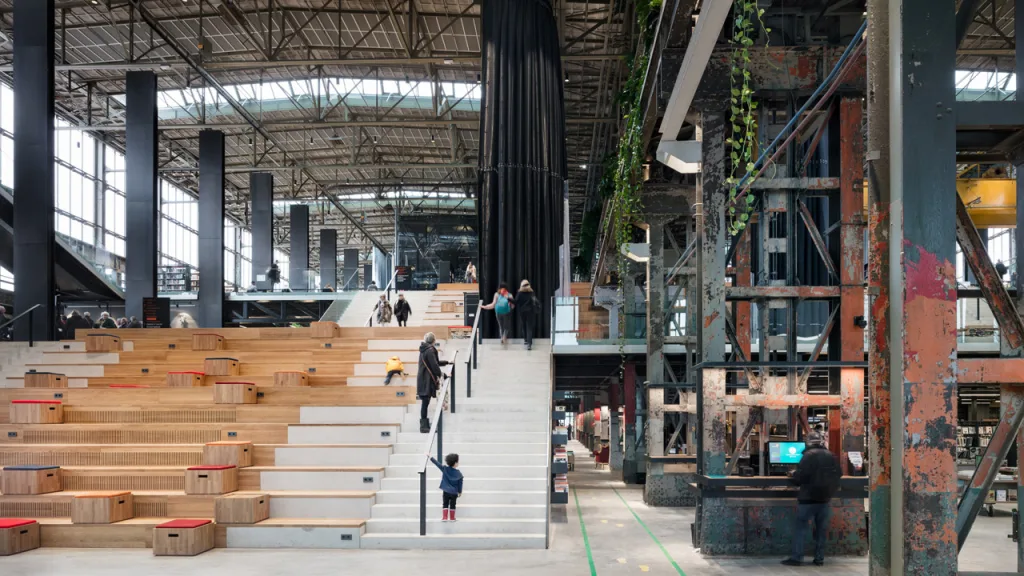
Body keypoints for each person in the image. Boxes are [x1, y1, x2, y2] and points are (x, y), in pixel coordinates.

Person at [782, 431, 841, 567]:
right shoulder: (831, 455)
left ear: (808, 442)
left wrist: (793, 474)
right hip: (825, 498)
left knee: (801, 528)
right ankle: (819, 559)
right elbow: (839, 473)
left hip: (808, 499)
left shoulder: (808, 456)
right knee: (821, 530)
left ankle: (797, 558)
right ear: (821, 442)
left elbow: (800, 478)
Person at [416, 332, 449, 433]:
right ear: (434, 340)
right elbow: (434, 366)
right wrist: (442, 374)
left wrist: (447, 362)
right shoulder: (430, 350)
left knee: (425, 402)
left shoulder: (424, 349)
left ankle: (424, 425)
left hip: (423, 379)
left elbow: (435, 363)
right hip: (426, 380)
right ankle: (423, 427)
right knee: (425, 402)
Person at [428, 452, 463, 522]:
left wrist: (430, 457)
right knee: (453, 504)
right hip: (454, 492)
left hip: (446, 491)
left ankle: (444, 517)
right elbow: (460, 483)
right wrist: (460, 491)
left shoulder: (445, 469)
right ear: (455, 463)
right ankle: (452, 518)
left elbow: (437, 464)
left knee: (445, 503)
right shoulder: (459, 473)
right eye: (458, 462)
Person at [515, 279, 540, 350]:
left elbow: (515, 302)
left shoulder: (519, 293)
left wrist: (508, 298)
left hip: (522, 312)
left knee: (523, 325)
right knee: (529, 328)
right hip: (530, 312)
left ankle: (525, 339)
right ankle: (529, 344)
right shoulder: (531, 293)